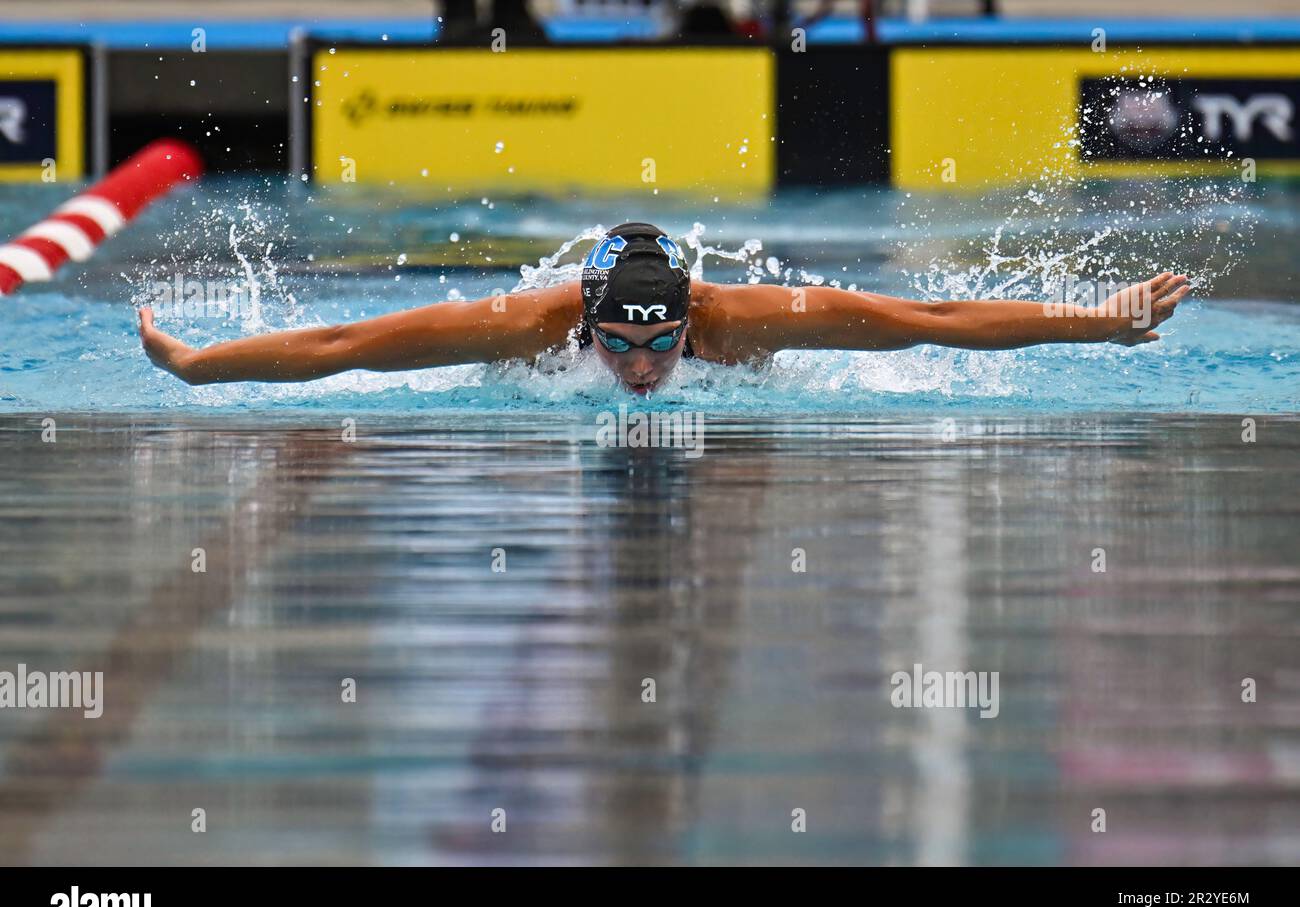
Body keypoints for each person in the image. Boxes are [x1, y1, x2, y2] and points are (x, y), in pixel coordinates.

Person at [138, 221, 1191, 396]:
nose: (642, 367)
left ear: (691, 316)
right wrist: (198, 365)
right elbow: (344, 344)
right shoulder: (528, 325)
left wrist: (1104, 316)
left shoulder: (754, 317)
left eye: (660, 341)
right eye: (620, 342)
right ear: (585, 323)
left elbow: (937, 321)